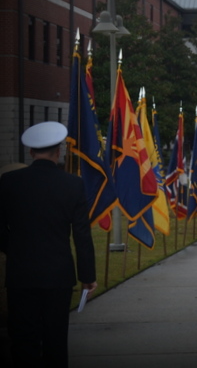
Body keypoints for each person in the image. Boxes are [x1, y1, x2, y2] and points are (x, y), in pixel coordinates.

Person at [0, 121, 97, 366]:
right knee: (55, 339)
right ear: (59, 151)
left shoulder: (9, 182)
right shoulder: (73, 184)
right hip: (58, 274)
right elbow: (82, 234)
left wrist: (14, 251)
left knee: (23, 339)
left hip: (20, 273)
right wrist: (88, 275)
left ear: (31, 153)